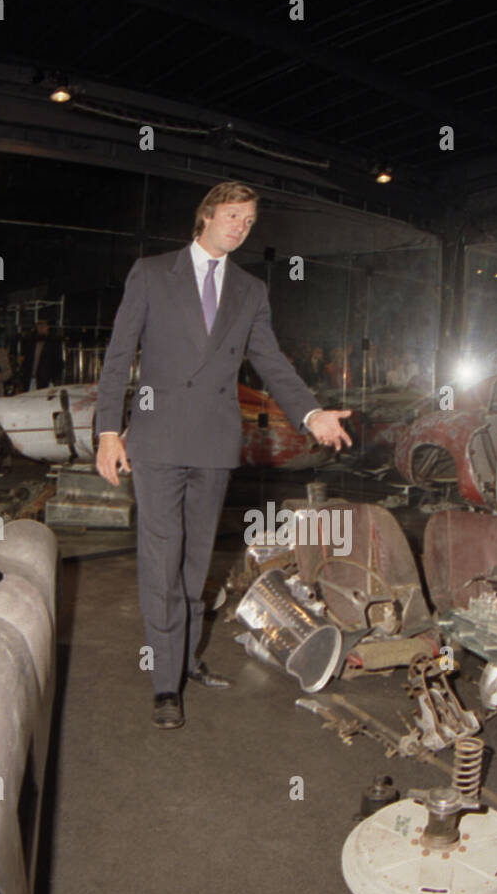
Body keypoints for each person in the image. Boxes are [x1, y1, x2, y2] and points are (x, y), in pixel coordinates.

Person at [95, 181, 352, 729]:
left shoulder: (250, 290)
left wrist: (311, 414)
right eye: (233, 215)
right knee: (161, 564)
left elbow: (271, 362)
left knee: (194, 568)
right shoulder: (151, 272)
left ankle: (185, 659)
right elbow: (118, 358)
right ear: (206, 216)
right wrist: (106, 433)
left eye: (250, 221)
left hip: (213, 445)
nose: (241, 227)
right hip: (158, 441)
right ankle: (166, 685)